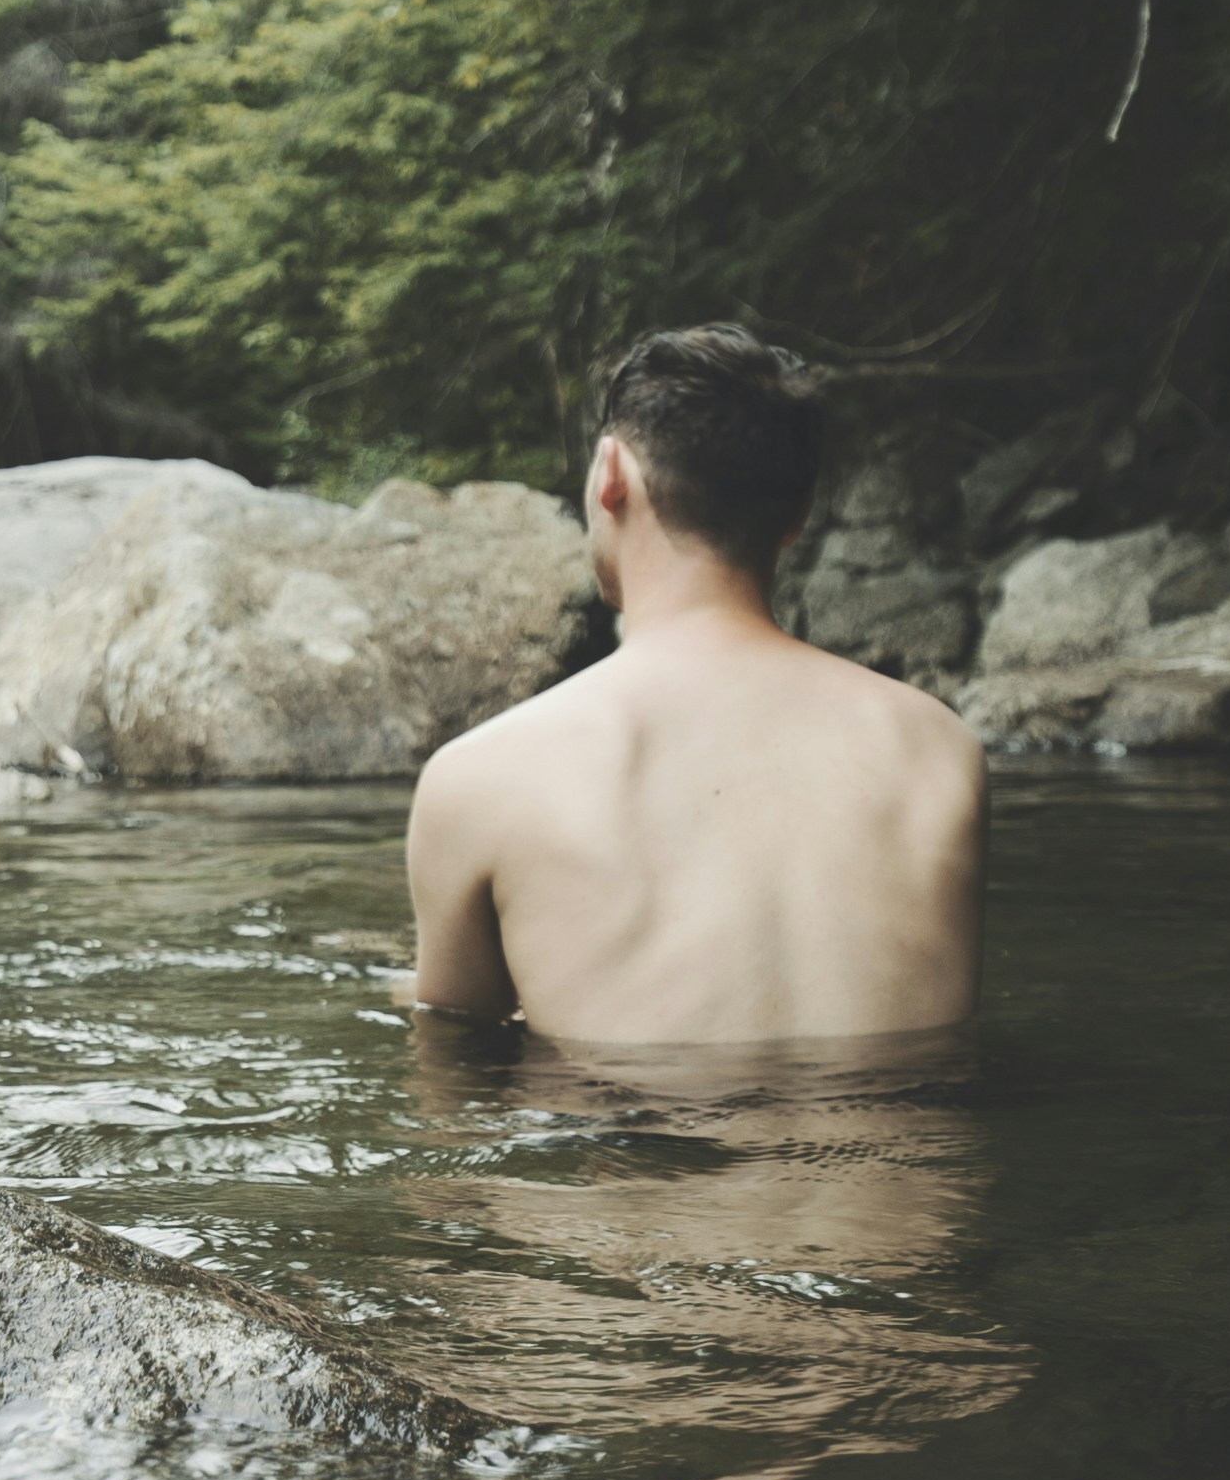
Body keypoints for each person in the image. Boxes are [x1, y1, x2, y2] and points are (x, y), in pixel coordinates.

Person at [405, 324, 986, 1045]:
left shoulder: (480, 776)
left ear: (609, 474)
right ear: (799, 515)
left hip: (660, 1152)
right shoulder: (936, 746)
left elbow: (455, 1066)